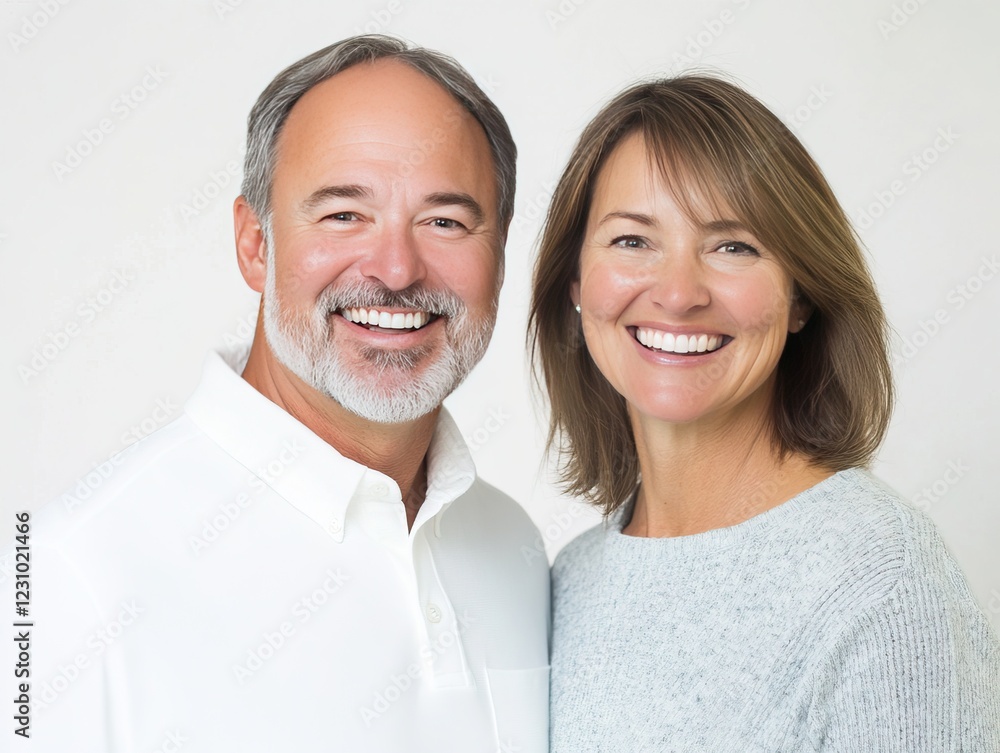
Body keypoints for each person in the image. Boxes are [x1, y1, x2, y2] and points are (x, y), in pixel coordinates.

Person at [2, 36, 549, 752]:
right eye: (343, 214)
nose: (395, 267)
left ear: (500, 255)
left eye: (445, 220)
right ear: (255, 244)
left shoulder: (511, 545)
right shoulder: (62, 580)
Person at [529, 75, 1000, 751]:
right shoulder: (569, 581)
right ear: (575, 282)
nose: (679, 292)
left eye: (733, 246)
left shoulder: (883, 583)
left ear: (801, 295)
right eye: (633, 240)